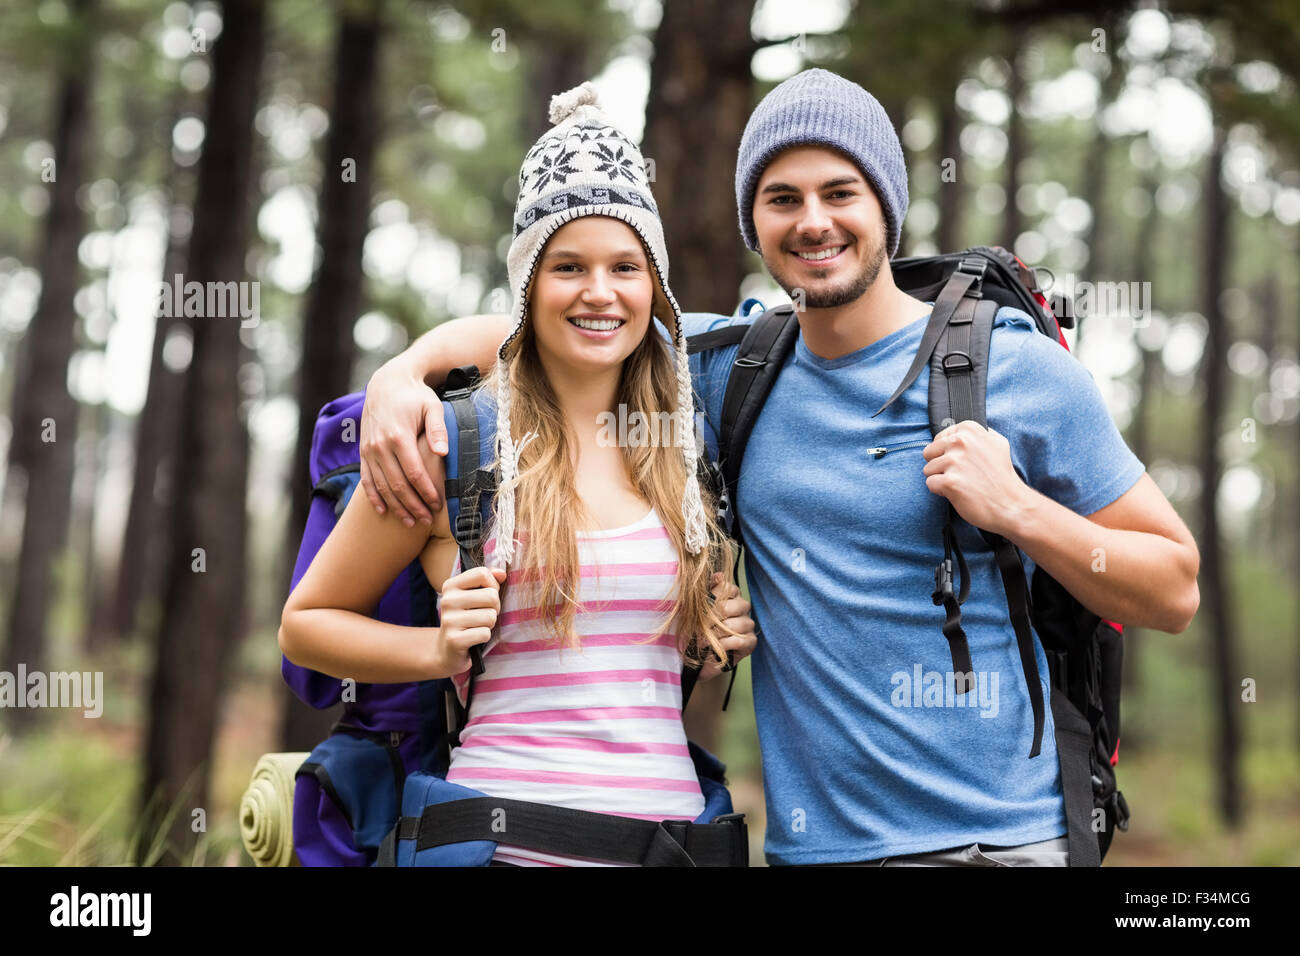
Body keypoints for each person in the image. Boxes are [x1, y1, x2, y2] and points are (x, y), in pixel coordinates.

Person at [353, 69, 1201, 867]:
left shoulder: (1010, 370)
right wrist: (402, 374)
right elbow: (558, 324)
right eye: (781, 198)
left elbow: (1173, 587)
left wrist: (1018, 510)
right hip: (811, 853)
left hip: (998, 843)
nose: (813, 222)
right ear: (753, 222)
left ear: (886, 207)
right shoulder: (730, 371)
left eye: (842, 193)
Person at [279, 83, 756, 867]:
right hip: (502, 847)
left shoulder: (680, 447)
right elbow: (307, 624)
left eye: (625, 267)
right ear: (528, 287)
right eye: (568, 266)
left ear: (653, 285)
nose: (599, 292)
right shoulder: (457, 445)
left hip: (674, 845)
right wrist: (437, 650)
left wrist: (710, 637)